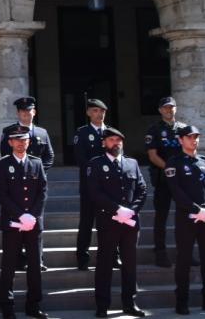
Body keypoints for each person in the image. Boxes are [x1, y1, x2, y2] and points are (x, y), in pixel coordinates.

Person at [164, 125, 205, 316]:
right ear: (181, 140)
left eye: (196, 137)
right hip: (187, 218)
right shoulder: (174, 162)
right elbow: (176, 191)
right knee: (184, 260)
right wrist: (195, 209)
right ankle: (181, 302)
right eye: (190, 137)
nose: (194, 140)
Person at [86, 127, 147, 318]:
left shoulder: (132, 163)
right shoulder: (95, 164)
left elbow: (142, 190)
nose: (116, 143)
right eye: (112, 140)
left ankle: (130, 303)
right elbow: (94, 192)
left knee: (130, 264)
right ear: (104, 143)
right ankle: (102, 305)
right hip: (108, 221)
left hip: (130, 223)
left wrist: (132, 211)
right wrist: (117, 209)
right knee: (104, 264)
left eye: (119, 140)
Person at [0, 125, 48, 319]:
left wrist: (32, 216)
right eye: (16, 140)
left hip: (33, 224)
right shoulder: (2, 164)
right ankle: (7, 307)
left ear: (29, 142)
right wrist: (20, 216)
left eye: (24, 139)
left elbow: (42, 192)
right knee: (8, 266)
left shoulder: (36, 163)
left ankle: (33, 306)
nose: (20, 143)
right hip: (12, 223)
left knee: (34, 266)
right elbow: (2, 195)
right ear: (10, 142)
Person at [0, 96, 53, 271]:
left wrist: (38, 172)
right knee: (17, 221)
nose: (26, 115)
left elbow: (49, 156)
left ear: (34, 112)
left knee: (36, 222)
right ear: (18, 113)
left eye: (29, 111)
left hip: (36, 186)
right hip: (14, 186)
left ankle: (38, 259)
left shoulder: (42, 133)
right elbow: (5, 157)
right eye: (22, 112)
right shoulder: (9, 131)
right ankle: (20, 259)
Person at [144, 96, 186, 267]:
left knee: (184, 217)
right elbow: (152, 155)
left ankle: (185, 252)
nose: (169, 110)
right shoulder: (154, 130)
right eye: (165, 108)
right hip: (163, 179)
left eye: (171, 107)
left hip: (183, 180)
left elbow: (190, 151)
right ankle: (160, 252)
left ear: (175, 109)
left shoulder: (184, 129)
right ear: (160, 110)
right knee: (161, 216)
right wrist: (169, 169)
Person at [73, 99, 109, 270]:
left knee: (110, 223)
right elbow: (82, 159)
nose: (99, 114)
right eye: (95, 110)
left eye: (102, 111)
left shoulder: (110, 133)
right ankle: (82, 257)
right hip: (90, 185)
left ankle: (111, 255)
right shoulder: (81, 133)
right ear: (88, 113)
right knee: (87, 223)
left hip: (109, 187)